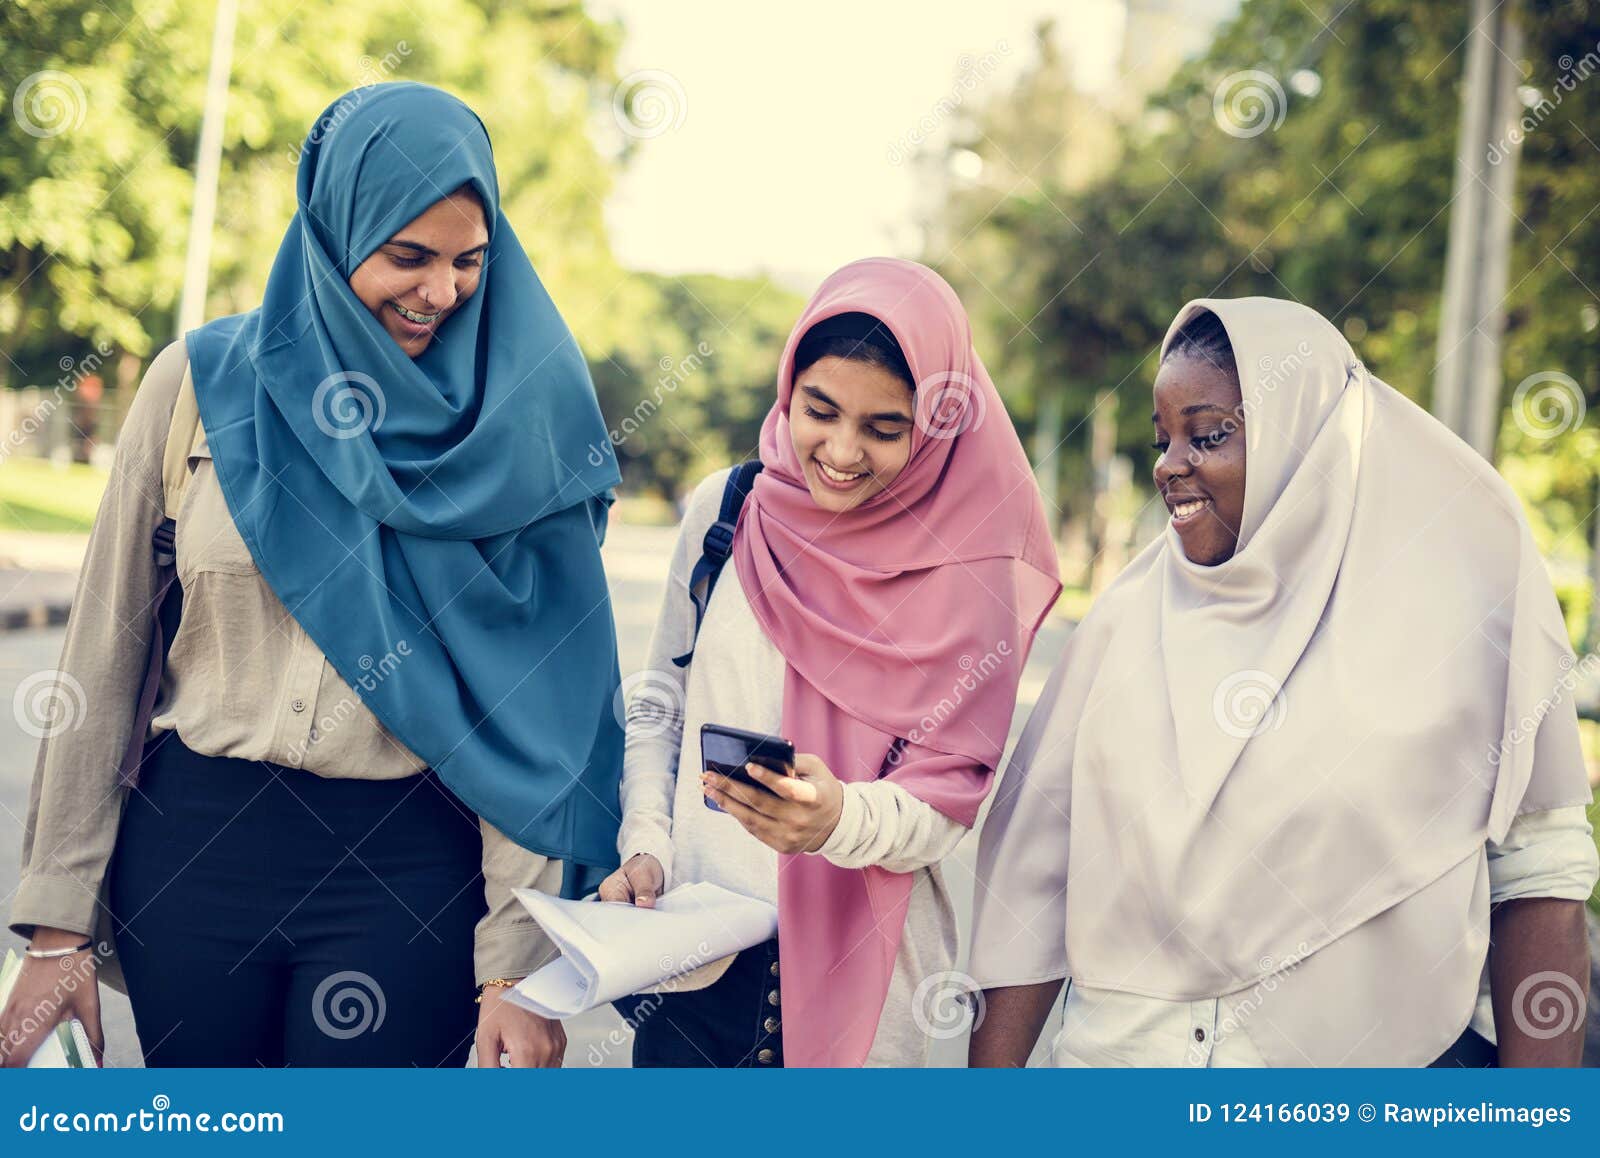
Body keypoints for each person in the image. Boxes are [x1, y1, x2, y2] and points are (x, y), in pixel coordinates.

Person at [2, 83, 624, 1068]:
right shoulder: (199, 386)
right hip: (192, 854)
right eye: (407, 257)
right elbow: (103, 653)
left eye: (470, 261)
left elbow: (534, 714)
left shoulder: (517, 426)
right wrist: (54, 930)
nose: (440, 293)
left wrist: (514, 966)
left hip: (406, 867)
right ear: (333, 237)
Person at [968, 297, 1598, 1068]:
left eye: (1209, 435)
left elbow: (1540, 878)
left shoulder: (1460, 615)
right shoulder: (1119, 626)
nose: (1169, 465)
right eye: (1163, 438)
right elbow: (1030, 892)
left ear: (1311, 437)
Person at [600, 257, 1061, 1066]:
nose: (842, 452)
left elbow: (948, 799)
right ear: (788, 389)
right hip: (691, 965)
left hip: (868, 992)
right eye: (819, 410)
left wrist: (838, 819)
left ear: (937, 426)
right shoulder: (728, 510)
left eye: (885, 429)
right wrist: (647, 842)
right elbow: (659, 704)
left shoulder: (969, 571)